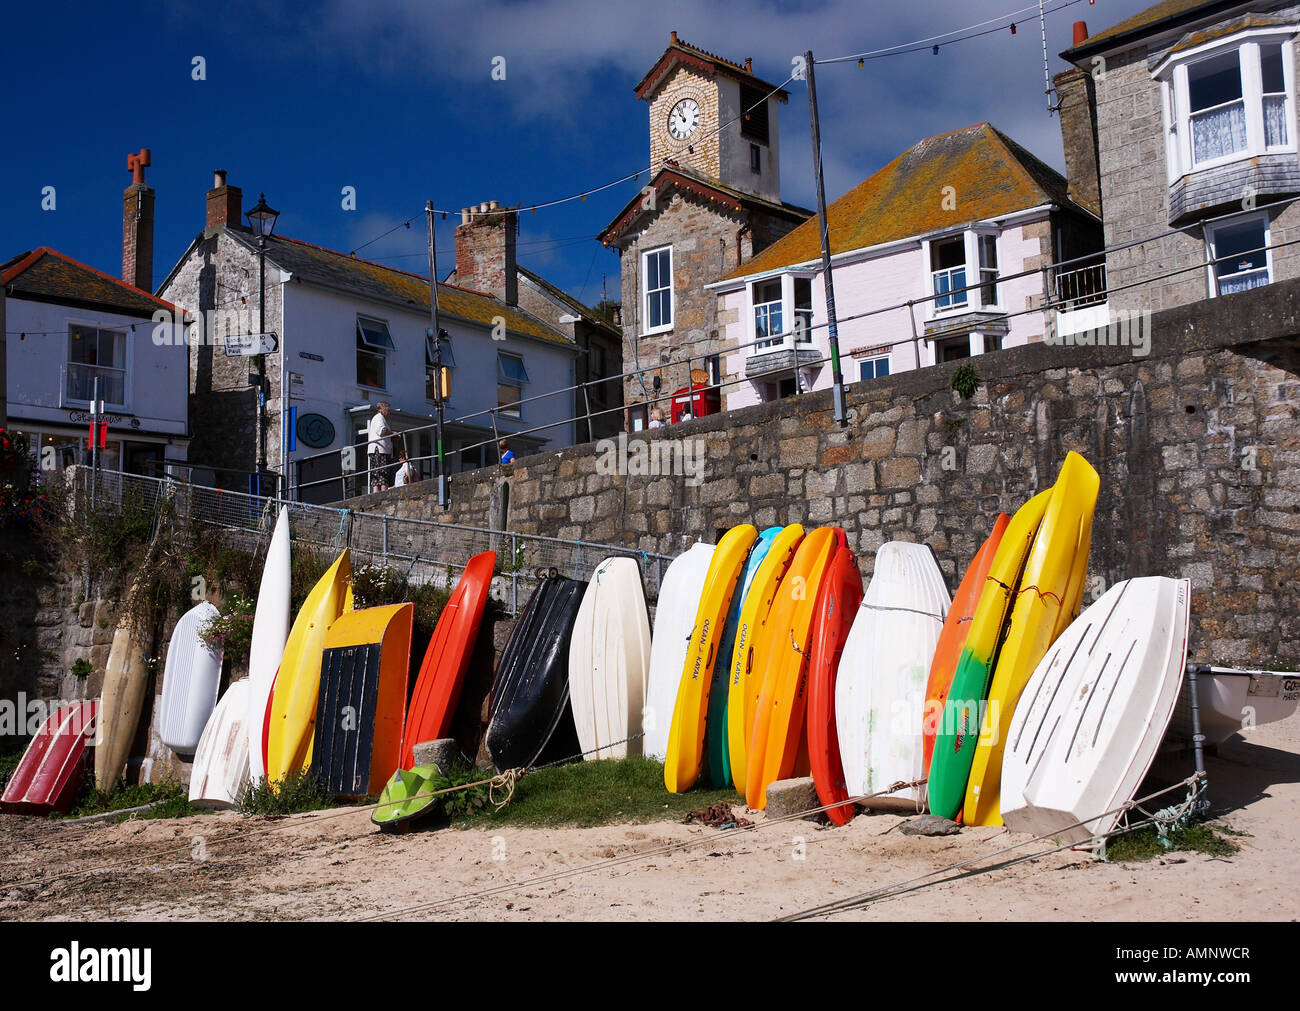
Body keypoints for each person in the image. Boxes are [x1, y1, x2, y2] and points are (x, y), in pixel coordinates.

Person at [367, 401, 394, 492]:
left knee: (377, 471)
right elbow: (381, 431)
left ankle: (377, 491)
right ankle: (382, 490)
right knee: (382, 470)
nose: (389, 412)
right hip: (379, 449)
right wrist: (393, 433)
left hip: (377, 449)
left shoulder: (379, 418)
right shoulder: (379, 418)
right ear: (382, 409)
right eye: (388, 410)